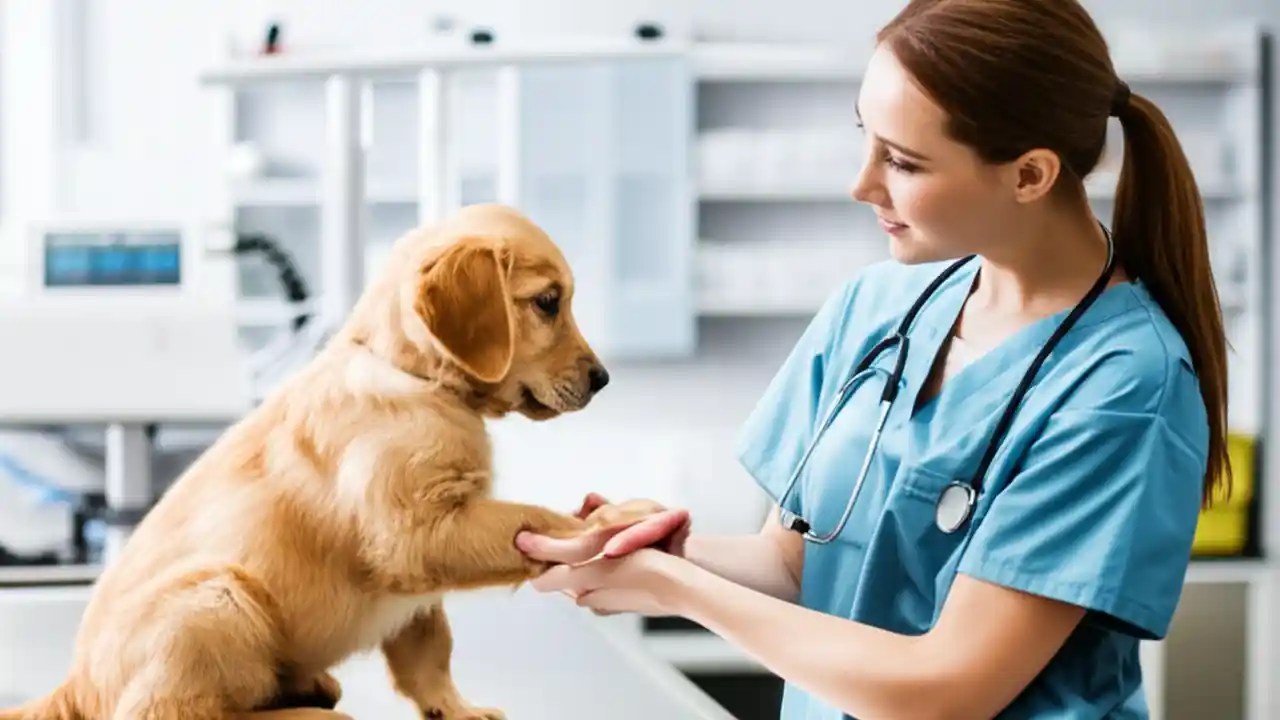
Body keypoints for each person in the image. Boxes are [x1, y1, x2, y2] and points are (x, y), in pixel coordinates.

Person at [515, 0, 1232, 717]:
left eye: (903, 160)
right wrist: (668, 553)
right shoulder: (878, 308)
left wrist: (677, 591)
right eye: (868, 139)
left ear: (1029, 175)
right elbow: (797, 562)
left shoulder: (1124, 385)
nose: (861, 185)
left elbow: (949, 689)